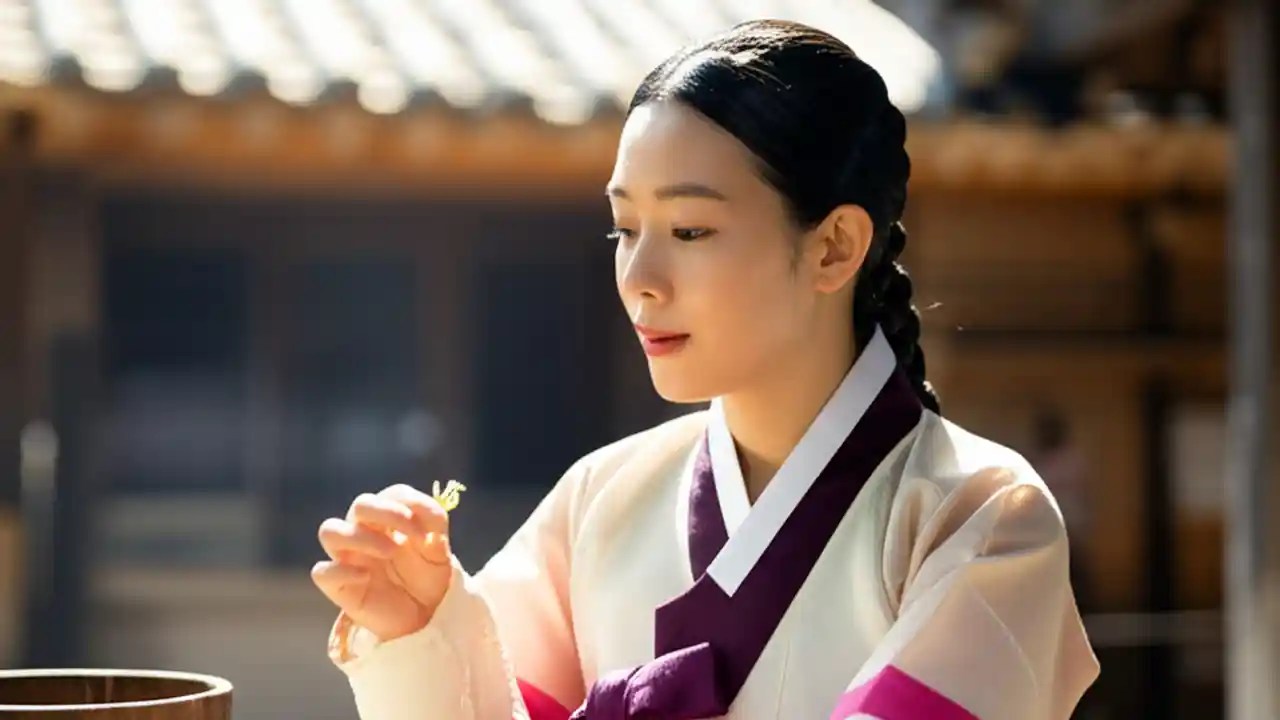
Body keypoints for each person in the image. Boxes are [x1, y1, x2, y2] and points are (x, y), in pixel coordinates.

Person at [310, 19, 1099, 720]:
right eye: (624, 227)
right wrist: (422, 631)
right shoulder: (598, 499)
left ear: (834, 247)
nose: (639, 277)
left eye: (689, 230)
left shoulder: (979, 517)